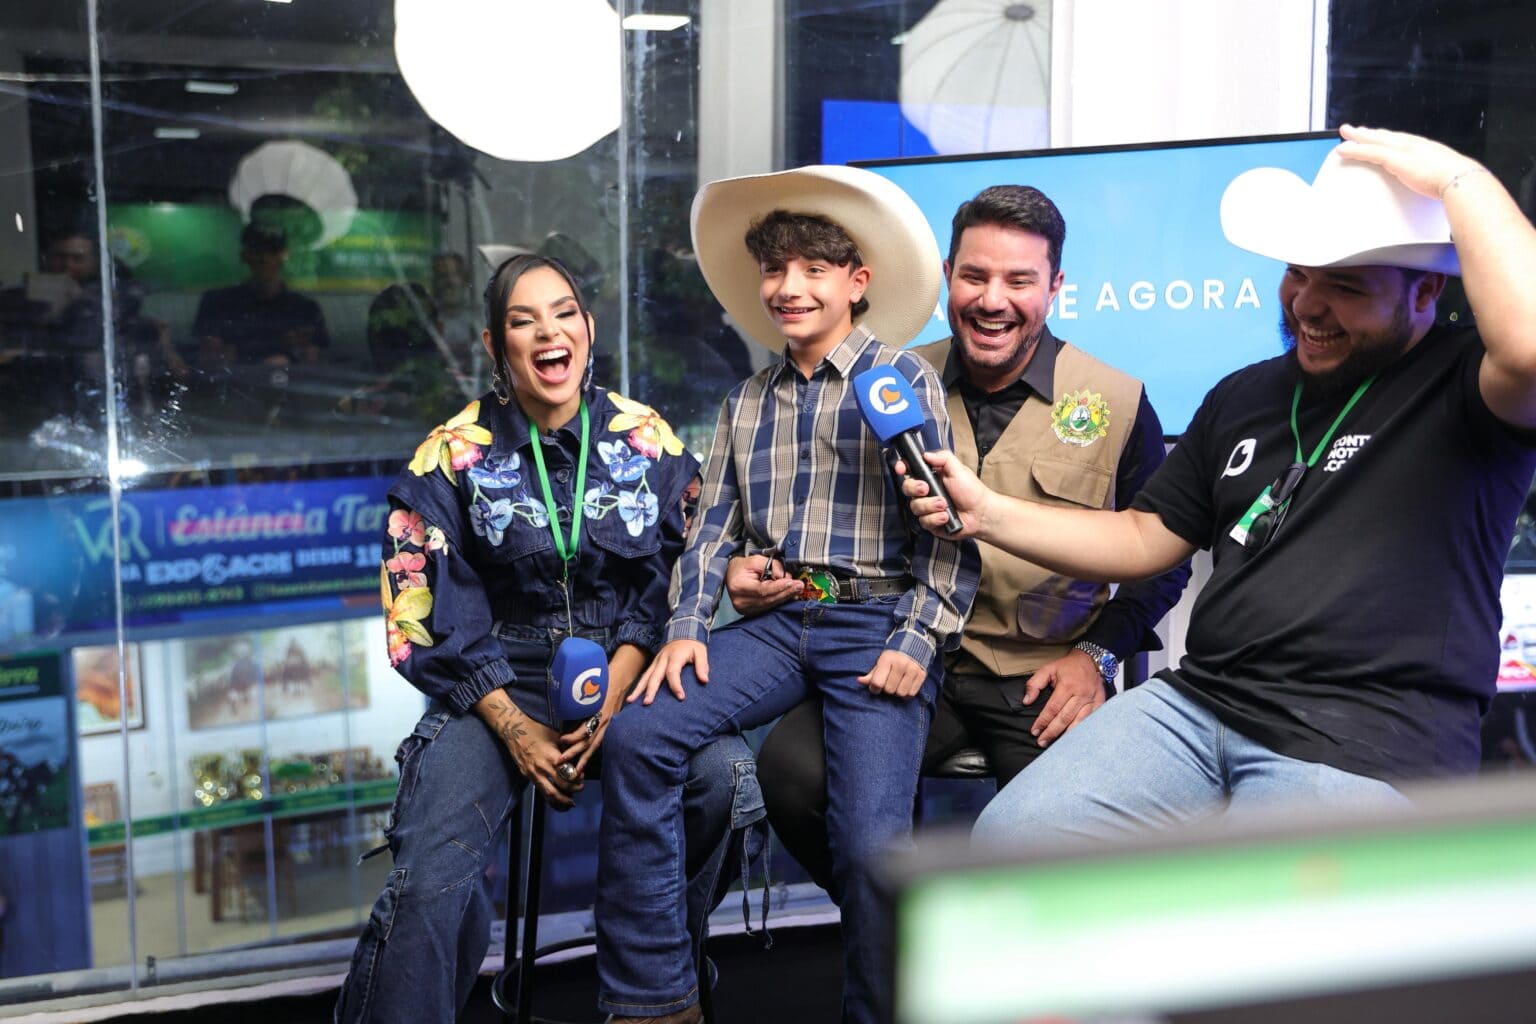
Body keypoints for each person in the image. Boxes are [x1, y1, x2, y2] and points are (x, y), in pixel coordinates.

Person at [898, 125, 1536, 844]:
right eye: (1298, 274)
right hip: (1201, 704)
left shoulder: (1468, 387)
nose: (1307, 305)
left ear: (1424, 290)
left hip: (1370, 733)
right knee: (1014, 840)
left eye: (1346, 287)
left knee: (1254, 893)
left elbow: (1529, 344)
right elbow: (1143, 536)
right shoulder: (1244, 394)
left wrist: (1460, 179)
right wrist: (985, 511)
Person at [594, 166, 980, 1024]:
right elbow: (710, 535)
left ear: (857, 283)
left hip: (876, 623)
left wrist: (916, 642)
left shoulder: (901, 381)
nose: (789, 287)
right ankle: (657, 998)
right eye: (775, 270)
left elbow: (951, 534)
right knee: (639, 736)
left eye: (814, 269)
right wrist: (687, 627)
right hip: (777, 626)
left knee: (870, 848)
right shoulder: (745, 402)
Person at [334, 254, 762, 1023]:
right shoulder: (451, 452)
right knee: (431, 875)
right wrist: (513, 726)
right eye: (523, 320)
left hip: (627, 668)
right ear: (495, 344)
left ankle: (660, 969)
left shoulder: (645, 439)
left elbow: (685, 570)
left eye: (564, 313)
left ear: (588, 329)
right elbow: (416, 609)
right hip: (497, 677)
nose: (548, 333)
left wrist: (621, 684)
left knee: (723, 776)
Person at [742, 184, 1192, 888]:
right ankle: (900, 934)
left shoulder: (1117, 401)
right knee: (794, 773)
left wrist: (1097, 656)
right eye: (975, 276)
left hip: (1042, 674)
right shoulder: (885, 380)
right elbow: (828, 538)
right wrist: (770, 575)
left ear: (1055, 288)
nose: (992, 300)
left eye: (1019, 281)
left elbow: (1162, 560)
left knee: (1054, 853)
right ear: (949, 276)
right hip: (907, 652)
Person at [192, 221, 331, 369]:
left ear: (284, 255)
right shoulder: (216, 303)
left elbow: (315, 362)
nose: (265, 258)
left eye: (273, 251)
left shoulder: (306, 309)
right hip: (235, 382)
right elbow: (209, 358)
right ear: (244, 256)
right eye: (257, 251)